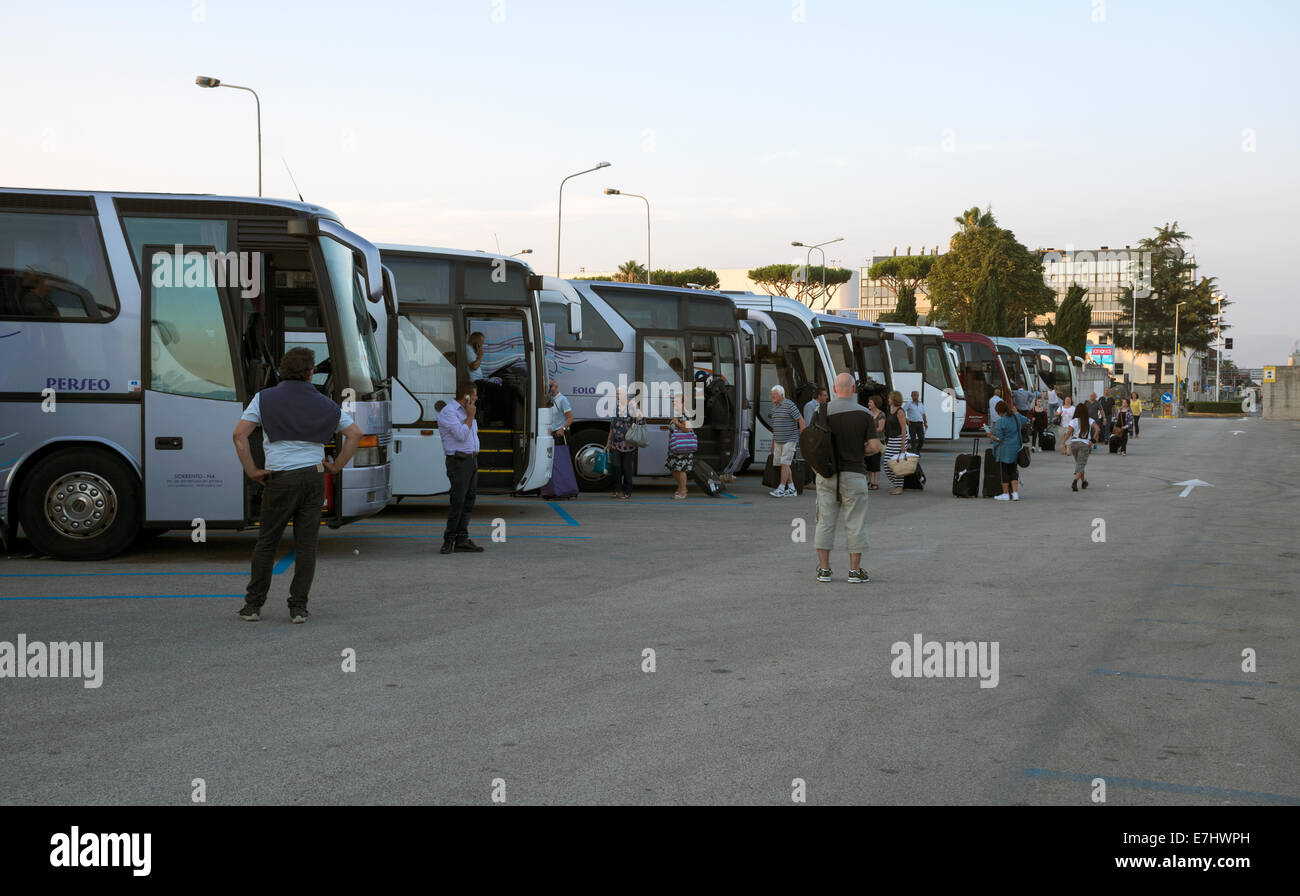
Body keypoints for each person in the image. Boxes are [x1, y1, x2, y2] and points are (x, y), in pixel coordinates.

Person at [233, 348, 362, 624]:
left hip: (280, 479)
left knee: (267, 542)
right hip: (314, 477)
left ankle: (253, 606)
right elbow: (354, 434)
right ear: (310, 372)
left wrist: (252, 470)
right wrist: (336, 465)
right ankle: (298, 607)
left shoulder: (264, 398)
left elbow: (239, 436)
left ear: (282, 370)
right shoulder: (324, 402)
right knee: (306, 545)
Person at [814, 372, 882, 584]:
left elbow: (811, 444)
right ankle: (854, 571)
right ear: (853, 389)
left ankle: (824, 570)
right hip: (854, 474)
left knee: (824, 521)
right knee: (855, 522)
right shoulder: (864, 414)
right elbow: (875, 446)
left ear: (835, 389)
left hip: (827, 474)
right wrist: (859, 452)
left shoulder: (821, 411)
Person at [438, 382, 484, 554]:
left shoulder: (466, 412)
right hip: (459, 461)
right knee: (457, 501)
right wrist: (470, 417)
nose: (476, 398)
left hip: (471, 460)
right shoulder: (449, 413)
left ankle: (462, 539)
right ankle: (448, 540)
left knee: (469, 501)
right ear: (465, 396)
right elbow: (460, 435)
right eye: (474, 395)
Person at [604, 387, 642, 499]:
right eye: (616, 394)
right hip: (616, 443)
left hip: (628, 444)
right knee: (615, 466)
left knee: (627, 468)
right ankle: (616, 489)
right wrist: (608, 442)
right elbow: (612, 427)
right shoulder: (616, 408)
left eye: (618, 394)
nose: (616, 396)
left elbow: (641, 421)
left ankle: (627, 491)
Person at [768, 384, 805, 498]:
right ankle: (792, 489)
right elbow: (776, 428)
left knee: (785, 463)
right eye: (772, 395)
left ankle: (781, 488)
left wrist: (803, 438)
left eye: (775, 395)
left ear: (781, 395)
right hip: (778, 440)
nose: (772, 397)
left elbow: (801, 420)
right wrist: (773, 445)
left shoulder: (789, 405)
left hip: (789, 439)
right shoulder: (775, 407)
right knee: (784, 465)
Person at [988, 400, 1029, 501]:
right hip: (1016, 449)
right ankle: (1015, 493)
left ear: (998, 411)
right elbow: (1026, 420)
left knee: (1004, 472)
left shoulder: (1000, 422)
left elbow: (999, 438)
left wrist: (990, 436)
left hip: (1004, 450)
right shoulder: (1016, 417)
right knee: (1013, 470)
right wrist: (1017, 412)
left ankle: (1005, 494)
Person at [665, 394, 695, 499]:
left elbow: (687, 429)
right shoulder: (678, 414)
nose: (674, 403)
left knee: (681, 469)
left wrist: (677, 423)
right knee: (673, 468)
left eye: (676, 402)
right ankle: (681, 487)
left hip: (682, 447)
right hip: (675, 447)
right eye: (673, 402)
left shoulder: (684, 414)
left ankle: (683, 492)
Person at [1067, 401, 1100, 491]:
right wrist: (1092, 441)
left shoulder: (1073, 420)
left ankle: (1084, 481)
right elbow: (1098, 429)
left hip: (1074, 443)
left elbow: (1069, 432)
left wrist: (1064, 443)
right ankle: (1075, 481)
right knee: (1081, 464)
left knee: (1079, 464)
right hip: (1084, 444)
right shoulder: (1089, 420)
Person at [882, 390, 908, 496]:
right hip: (892, 440)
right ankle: (897, 484)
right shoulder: (892, 410)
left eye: (889, 398)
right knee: (887, 463)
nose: (888, 400)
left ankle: (899, 487)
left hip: (899, 439)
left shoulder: (900, 411)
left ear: (893, 399)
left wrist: (903, 445)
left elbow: (903, 428)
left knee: (897, 464)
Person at [865, 395, 885, 490]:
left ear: (876, 403)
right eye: (869, 402)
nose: (868, 403)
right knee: (868, 462)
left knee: (875, 462)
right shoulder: (867, 413)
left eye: (870, 402)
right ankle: (869, 481)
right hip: (867, 441)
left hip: (878, 441)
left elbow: (880, 429)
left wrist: (869, 431)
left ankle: (875, 483)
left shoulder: (881, 414)